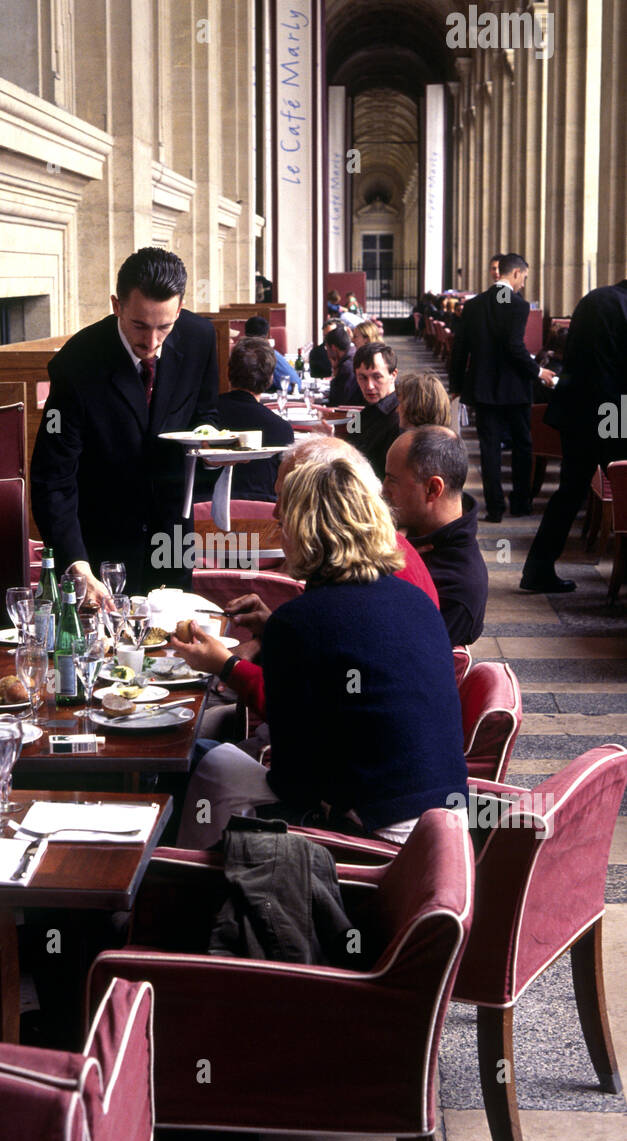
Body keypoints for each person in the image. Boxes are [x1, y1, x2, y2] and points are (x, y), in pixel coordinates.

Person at [171, 450, 468, 849]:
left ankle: (193, 880)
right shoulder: (414, 600)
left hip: (378, 833)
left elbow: (294, 781)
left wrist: (237, 664)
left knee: (215, 764)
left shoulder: (299, 621)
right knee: (220, 757)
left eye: (284, 522)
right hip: (449, 825)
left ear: (306, 531)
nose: (279, 530)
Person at [31, 248, 218, 602]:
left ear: (179, 310)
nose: (151, 342)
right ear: (117, 305)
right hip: (101, 544)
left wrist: (207, 441)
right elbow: (52, 477)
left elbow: (206, 414)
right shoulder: (75, 364)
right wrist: (76, 563)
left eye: (165, 326)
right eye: (139, 325)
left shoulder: (200, 338)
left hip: (173, 536)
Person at [520, 277, 627, 593]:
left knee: (569, 492)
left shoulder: (593, 299)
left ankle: (537, 568)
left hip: (577, 411)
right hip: (613, 414)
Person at [449, 252, 555, 522]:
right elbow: (514, 346)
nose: (523, 284)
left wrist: (457, 385)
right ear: (516, 273)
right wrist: (538, 371)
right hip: (515, 388)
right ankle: (520, 503)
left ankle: (495, 509)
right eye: (524, 278)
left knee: (489, 448)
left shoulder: (474, 306)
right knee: (522, 445)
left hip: (483, 388)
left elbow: (459, 350)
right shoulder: (518, 306)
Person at [383, 427, 488, 645]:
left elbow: (389, 654)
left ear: (432, 489)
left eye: (392, 480)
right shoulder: (417, 528)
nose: (383, 490)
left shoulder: (457, 590)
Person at [211, 336, 294, 501]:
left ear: (228, 372)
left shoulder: (206, 416)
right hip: (262, 521)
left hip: (203, 519)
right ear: (270, 379)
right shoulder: (281, 429)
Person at [352, 341, 401, 479]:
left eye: (377, 377)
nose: (369, 386)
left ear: (393, 375)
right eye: (362, 378)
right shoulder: (363, 410)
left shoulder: (400, 418)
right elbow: (351, 438)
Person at [244, 315, 300, 392]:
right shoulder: (269, 355)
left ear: (245, 334)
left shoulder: (237, 353)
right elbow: (295, 385)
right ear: (267, 336)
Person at [324, 325, 362, 408]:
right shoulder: (353, 356)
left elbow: (338, 401)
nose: (327, 353)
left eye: (327, 348)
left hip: (350, 416)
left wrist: (335, 372)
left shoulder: (347, 367)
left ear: (333, 348)